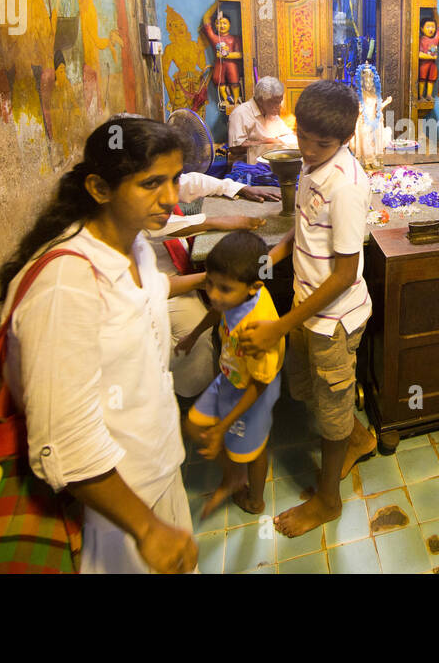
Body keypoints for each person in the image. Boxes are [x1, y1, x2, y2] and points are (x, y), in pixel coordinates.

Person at [0, 117, 203, 574]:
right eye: (151, 183)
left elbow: (144, 301)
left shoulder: (137, 247)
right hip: (111, 511)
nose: (170, 198)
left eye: (174, 180)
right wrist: (145, 529)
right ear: (99, 188)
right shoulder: (65, 284)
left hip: (158, 475)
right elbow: (63, 443)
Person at [234, 80, 376, 537]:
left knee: (331, 403)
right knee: (310, 390)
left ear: (345, 140)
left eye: (322, 144)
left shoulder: (348, 186)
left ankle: (329, 502)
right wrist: (269, 259)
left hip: (333, 319)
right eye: (304, 138)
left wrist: (279, 327)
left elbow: (344, 275)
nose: (309, 149)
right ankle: (359, 438)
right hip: (306, 307)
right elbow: (304, 228)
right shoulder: (312, 170)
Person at [148, 168, 277, 399]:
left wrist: (237, 187)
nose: (170, 195)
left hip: (182, 280)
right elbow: (163, 226)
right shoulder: (131, 218)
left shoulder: (259, 324)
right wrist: (218, 222)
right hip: (165, 290)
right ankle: (194, 394)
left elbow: (190, 182)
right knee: (196, 343)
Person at [182, 230, 284, 519]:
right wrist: (193, 335)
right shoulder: (233, 297)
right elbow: (218, 309)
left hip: (252, 393)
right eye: (210, 284)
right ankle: (232, 478)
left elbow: (260, 386)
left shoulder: (257, 331)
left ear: (254, 287)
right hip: (230, 376)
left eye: (223, 289)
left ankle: (255, 500)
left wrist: (224, 424)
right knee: (193, 426)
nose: (214, 295)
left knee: (253, 452)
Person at [227, 76, 296, 163]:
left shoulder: (271, 113)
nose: (279, 106)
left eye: (280, 102)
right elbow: (234, 148)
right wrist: (264, 143)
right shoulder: (240, 113)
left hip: (269, 161)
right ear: (260, 100)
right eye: (275, 102)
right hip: (247, 165)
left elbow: (286, 134)